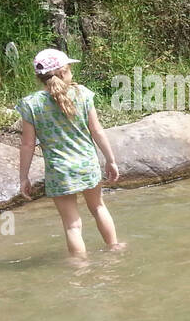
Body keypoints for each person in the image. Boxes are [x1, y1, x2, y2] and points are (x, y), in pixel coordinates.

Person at [17, 49, 125, 260]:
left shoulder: (31, 104)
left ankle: (79, 268)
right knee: (98, 207)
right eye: (70, 69)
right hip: (87, 165)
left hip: (60, 171)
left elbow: (27, 145)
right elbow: (97, 131)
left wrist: (24, 177)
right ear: (64, 71)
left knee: (72, 225)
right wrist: (111, 160)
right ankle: (114, 248)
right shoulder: (82, 94)